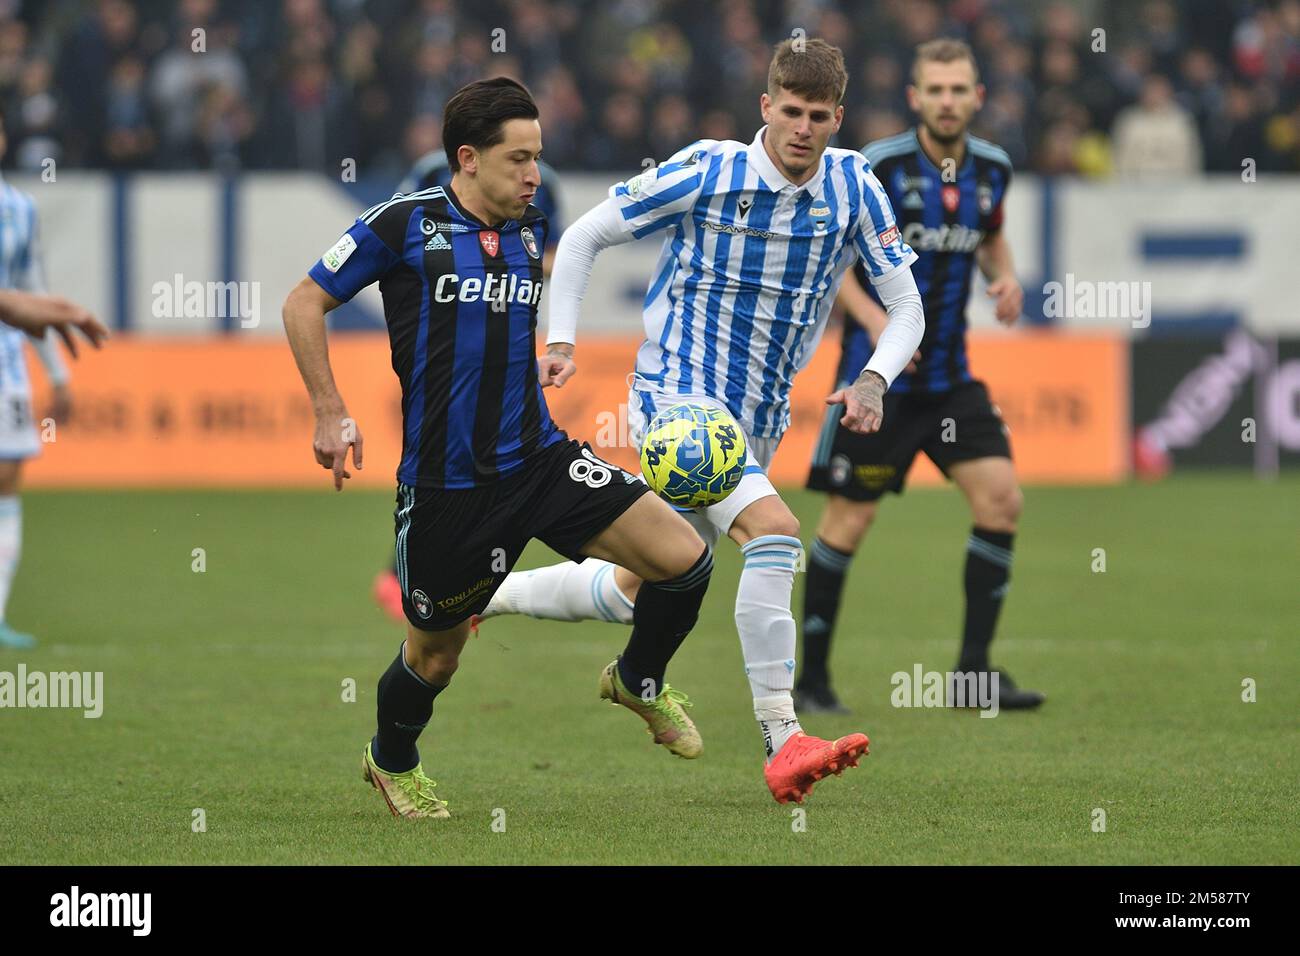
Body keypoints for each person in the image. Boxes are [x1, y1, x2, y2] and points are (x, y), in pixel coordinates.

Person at [480, 40, 925, 804]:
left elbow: (908, 306)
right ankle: (785, 740)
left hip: (758, 419)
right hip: (676, 398)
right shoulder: (709, 169)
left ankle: (479, 592)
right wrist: (559, 340)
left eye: (820, 116)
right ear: (766, 106)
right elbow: (585, 235)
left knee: (639, 583)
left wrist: (874, 379)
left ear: (838, 118)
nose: (804, 129)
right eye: (791, 111)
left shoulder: (856, 185)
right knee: (778, 533)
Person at [283, 77, 715, 820]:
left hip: (540, 460)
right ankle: (392, 760)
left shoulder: (528, 228)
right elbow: (302, 302)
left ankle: (638, 679)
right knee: (436, 656)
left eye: (538, 158)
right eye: (517, 159)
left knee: (685, 560)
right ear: (467, 158)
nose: (532, 175)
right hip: (450, 486)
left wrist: (544, 353)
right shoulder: (402, 225)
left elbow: (500, 315)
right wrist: (329, 411)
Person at [801, 39, 1044, 713]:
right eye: (934, 89)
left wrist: (1006, 279)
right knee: (848, 524)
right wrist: (876, 324)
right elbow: (834, 263)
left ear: (977, 98)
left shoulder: (993, 168)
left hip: (949, 378)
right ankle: (811, 681)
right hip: (876, 383)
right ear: (914, 98)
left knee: (1002, 501)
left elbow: (989, 235)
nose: (946, 100)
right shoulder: (875, 167)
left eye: (958, 89)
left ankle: (973, 676)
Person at [371, 145, 566, 620]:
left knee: (504, 460)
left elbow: (552, 252)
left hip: (502, 338)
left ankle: (473, 579)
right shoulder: (427, 173)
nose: (529, 171)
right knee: (440, 451)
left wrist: (494, 270)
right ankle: (406, 571)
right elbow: (402, 242)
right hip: (439, 347)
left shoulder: (546, 183)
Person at [0, 113, 80, 649]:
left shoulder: (19, 209)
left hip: (5, 368)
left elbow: (34, 294)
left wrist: (57, 373)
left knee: (6, 481)